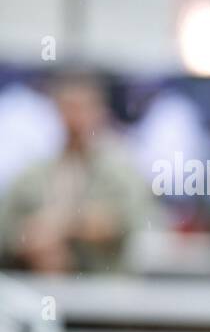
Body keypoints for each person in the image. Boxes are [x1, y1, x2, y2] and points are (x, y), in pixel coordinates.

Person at [0, 73, 157, 273]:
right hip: (36, 289)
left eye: (83, 108)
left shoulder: (120, 170)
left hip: (104, 291)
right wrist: (30, 241)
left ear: (100, 112)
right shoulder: (32, 174)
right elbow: (8, 231)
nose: (75, 118)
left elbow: (123, 222)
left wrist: (60, 225)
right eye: (68, 108)